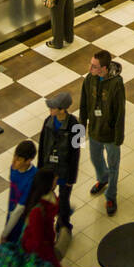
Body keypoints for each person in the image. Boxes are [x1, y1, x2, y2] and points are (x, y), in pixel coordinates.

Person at [79, 47, 125, 217]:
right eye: (91, 65)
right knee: (95, 158)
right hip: (94, 131)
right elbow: (83, 104)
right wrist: (81, 129)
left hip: (110, 134)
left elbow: (121, 111)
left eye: (94, 66)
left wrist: (119, 136)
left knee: (114, 166)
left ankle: (111, 196)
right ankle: (102, 178)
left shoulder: (116, 84)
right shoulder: (89, 79)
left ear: (105, 68)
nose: (90, 69)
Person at [36, 91, 80, 240]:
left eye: (53, 108)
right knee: (48, 199)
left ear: (62, 109)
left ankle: (64, 224)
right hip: (49, 169)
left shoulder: (76, 125)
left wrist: (72, 178)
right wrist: (40, 170)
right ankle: (58, 218)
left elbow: (76, 153)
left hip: (65, 171)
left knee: (64, 198)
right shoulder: (48, 121)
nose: (50, 110)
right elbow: (42, 147)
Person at [1, 140, 37, 245]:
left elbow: (19, 209)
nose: (13, 161)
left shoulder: (32, 178)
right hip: (11, 213)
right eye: (14, 156)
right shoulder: (14, 168)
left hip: (22, 220)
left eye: (18, 159)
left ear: (28, 161)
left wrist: (4, 233)